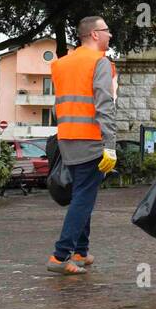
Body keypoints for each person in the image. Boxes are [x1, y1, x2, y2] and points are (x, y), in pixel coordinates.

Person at [48, 15, 117, 276]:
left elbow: (58, 105)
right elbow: (104, 105)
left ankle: (81, 251)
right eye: (107, 30)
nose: (110, 35)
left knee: (81, 195)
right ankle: (60, 255)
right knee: (84, 200)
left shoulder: (61, 65)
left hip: (67, 139)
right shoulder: (100, 63)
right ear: (95, 35)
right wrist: (109, 144)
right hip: (90, 141)